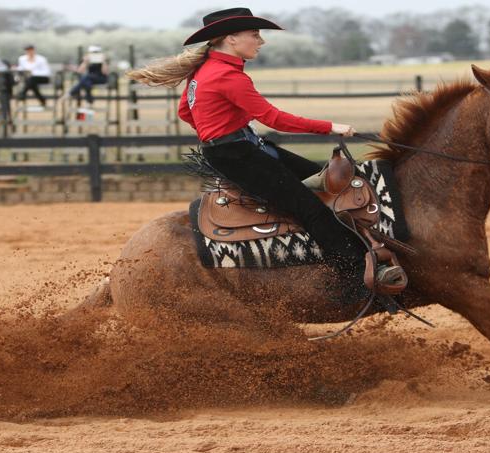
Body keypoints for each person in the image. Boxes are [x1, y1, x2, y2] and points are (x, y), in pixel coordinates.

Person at [128, 9, 371, 300]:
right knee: (310, 206)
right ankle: (355, 275)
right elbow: (275, 119)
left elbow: (185, 112)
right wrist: (331, 127)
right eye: (255, 35)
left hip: (237, 149)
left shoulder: (203, 72)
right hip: (240, 154)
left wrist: (217, 130)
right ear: (231, 39)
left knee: (323, 178)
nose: (261, 41)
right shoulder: (228, 76)